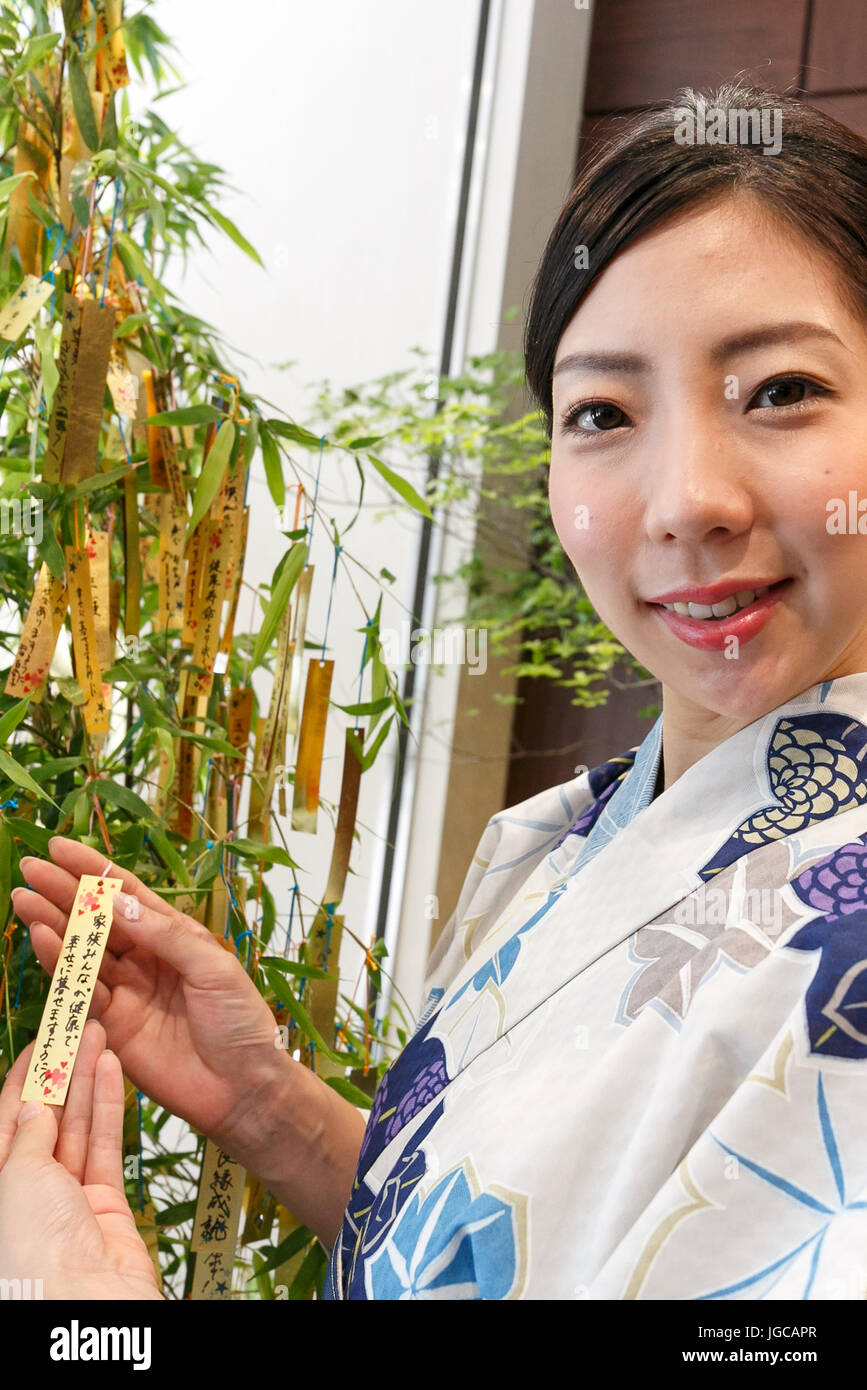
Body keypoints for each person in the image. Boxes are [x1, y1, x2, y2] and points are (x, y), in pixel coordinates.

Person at [4, 76, 867, 1300]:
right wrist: (278, 1111)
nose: (686, 502)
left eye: (781, 390)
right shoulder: (552, 844)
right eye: (604, 411)